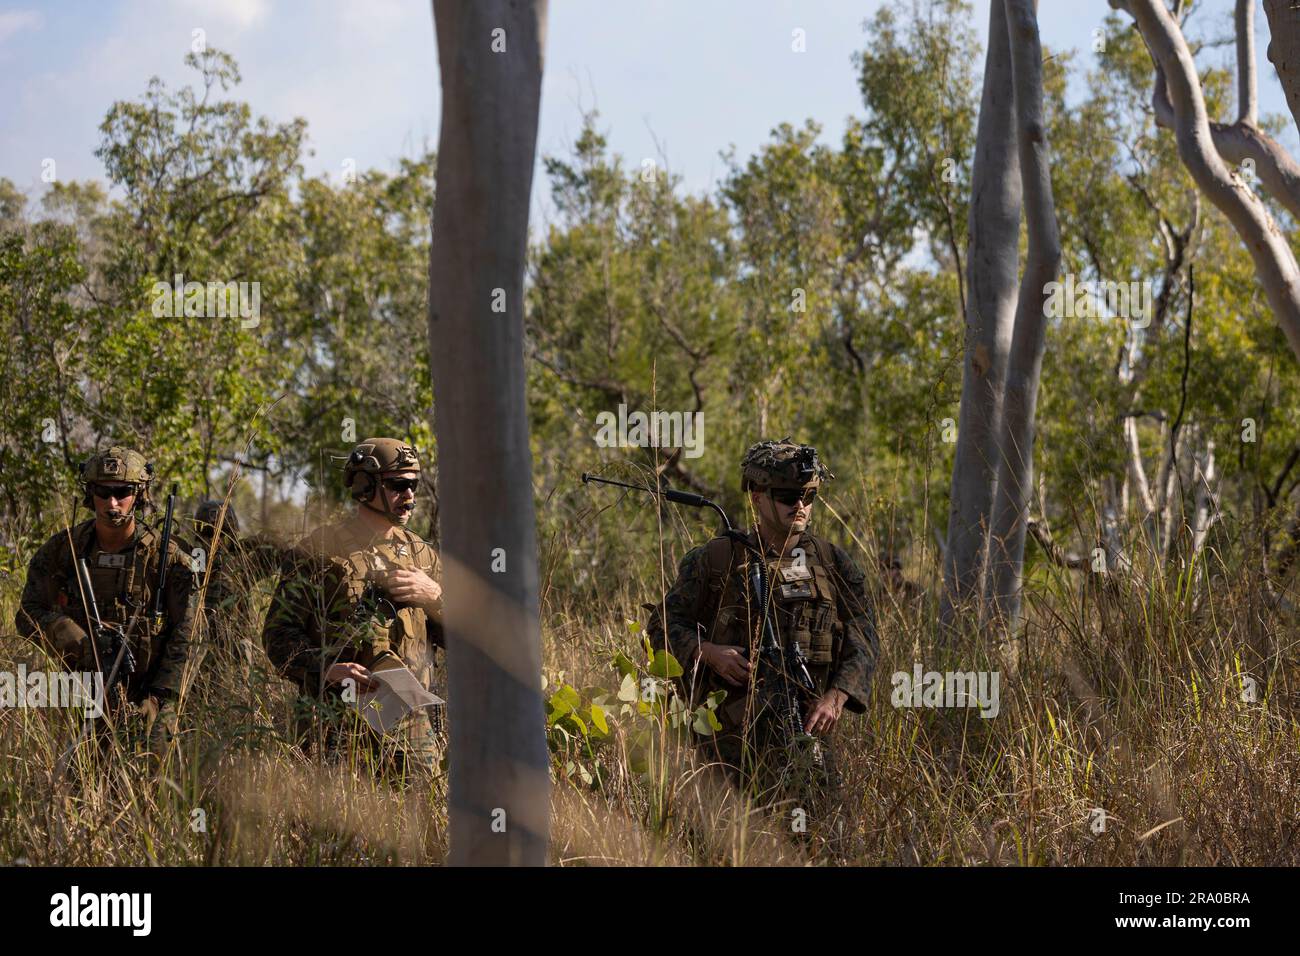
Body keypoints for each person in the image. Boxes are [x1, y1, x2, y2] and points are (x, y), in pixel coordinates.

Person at [649, 438, 878, 809]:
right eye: (788, 496)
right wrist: (707, 652)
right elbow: (660, 627)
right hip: (728, 749)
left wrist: (835, 699)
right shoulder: (717, 559)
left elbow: (864, 638)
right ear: (757, 497)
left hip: (806, 739)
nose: (800, 506)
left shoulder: (833, 563)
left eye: (809, 496)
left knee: (818, 842)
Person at [262, 438, 445, 780]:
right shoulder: (318, 551)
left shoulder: (423, 555)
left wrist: (435, 596)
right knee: (338, 826)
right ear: (365, 487)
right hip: (335, 722)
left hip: (411, 727)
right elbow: (276, 635)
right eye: (398, 485)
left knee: (420, 818)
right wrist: (327, 667)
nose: (410, 497)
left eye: (413, 485)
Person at [16, 446, 196, 754]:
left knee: (147, 773)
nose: (113, 503)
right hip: (81, 692)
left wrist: (160, 700)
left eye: (123, 491)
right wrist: (76, 640)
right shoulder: (64, 551)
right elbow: (28, 613)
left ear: (139, 494)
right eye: (103, 491)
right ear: (90, 494)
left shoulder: (166, 559)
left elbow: (191, 634)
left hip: (149, 696)